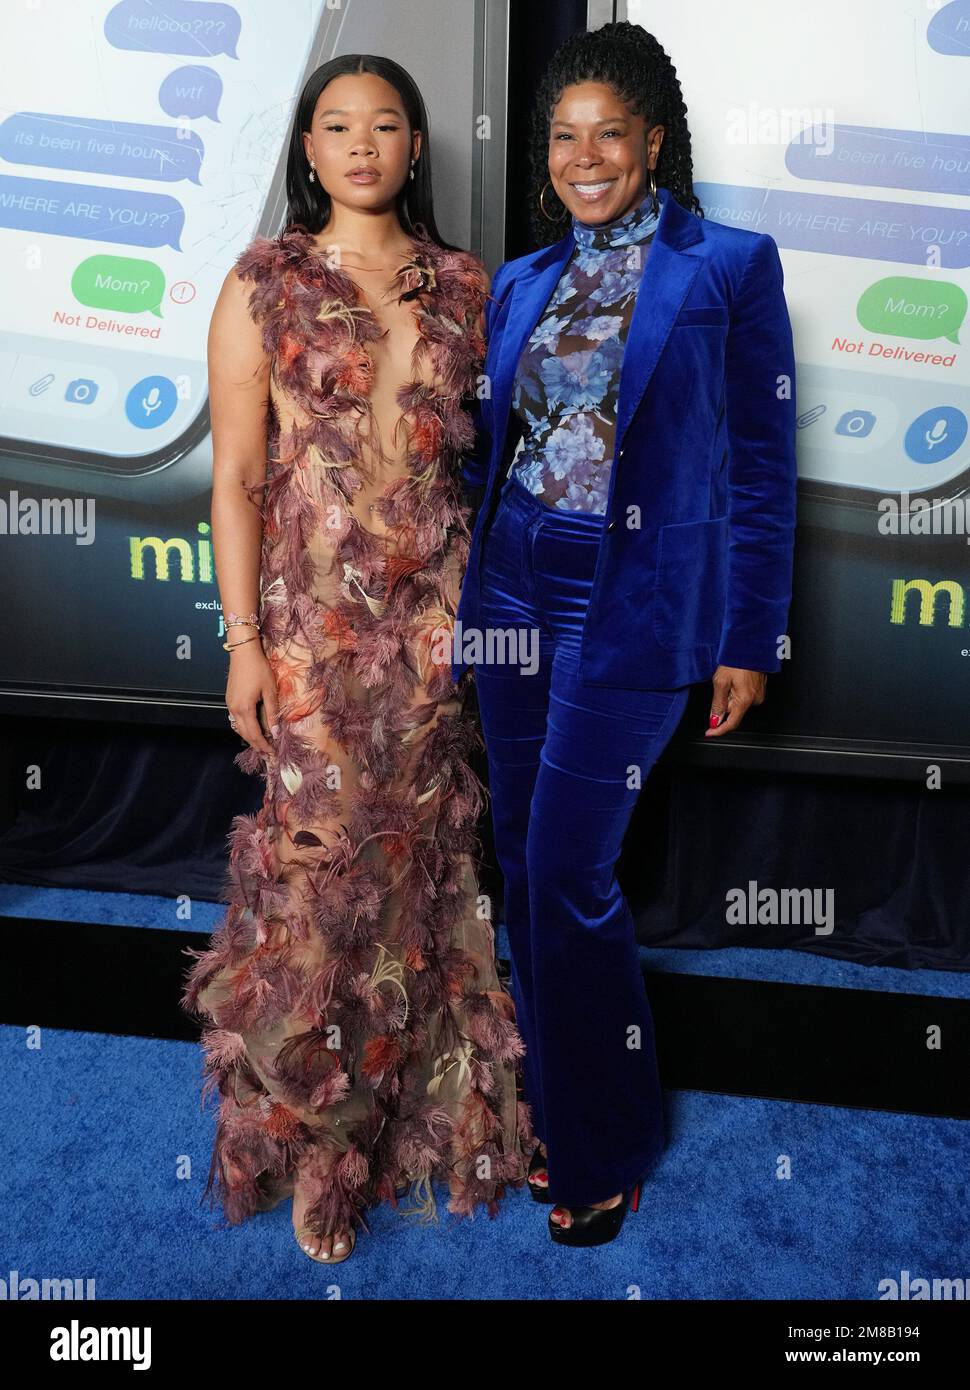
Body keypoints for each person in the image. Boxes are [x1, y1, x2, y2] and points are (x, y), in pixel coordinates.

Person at [180, 53, 534, 1267]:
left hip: (438, 639)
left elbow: (503, 474)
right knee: (321, 897)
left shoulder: (465, 286)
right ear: (308, 147)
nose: (364, 143)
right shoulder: (263, 284)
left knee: (423, 877)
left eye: (387, 124)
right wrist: (243, 644)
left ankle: (409, 1114)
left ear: (418, 147)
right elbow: (233, 479)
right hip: (311, 645)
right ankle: (323, 1149)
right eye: (338, 125)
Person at [450, 22, 797, 1247]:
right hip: (510, 588)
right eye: (563, 135)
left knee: (565, 869)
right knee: (516, 850)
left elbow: (760, 466)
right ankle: (552, 1096)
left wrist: (751, 635)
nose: (584, 154)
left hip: (634, 592)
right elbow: (484, 449)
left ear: (654, 139)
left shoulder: (729, 268)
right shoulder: (521, 282)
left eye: (610, 131)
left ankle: (604, 1140)